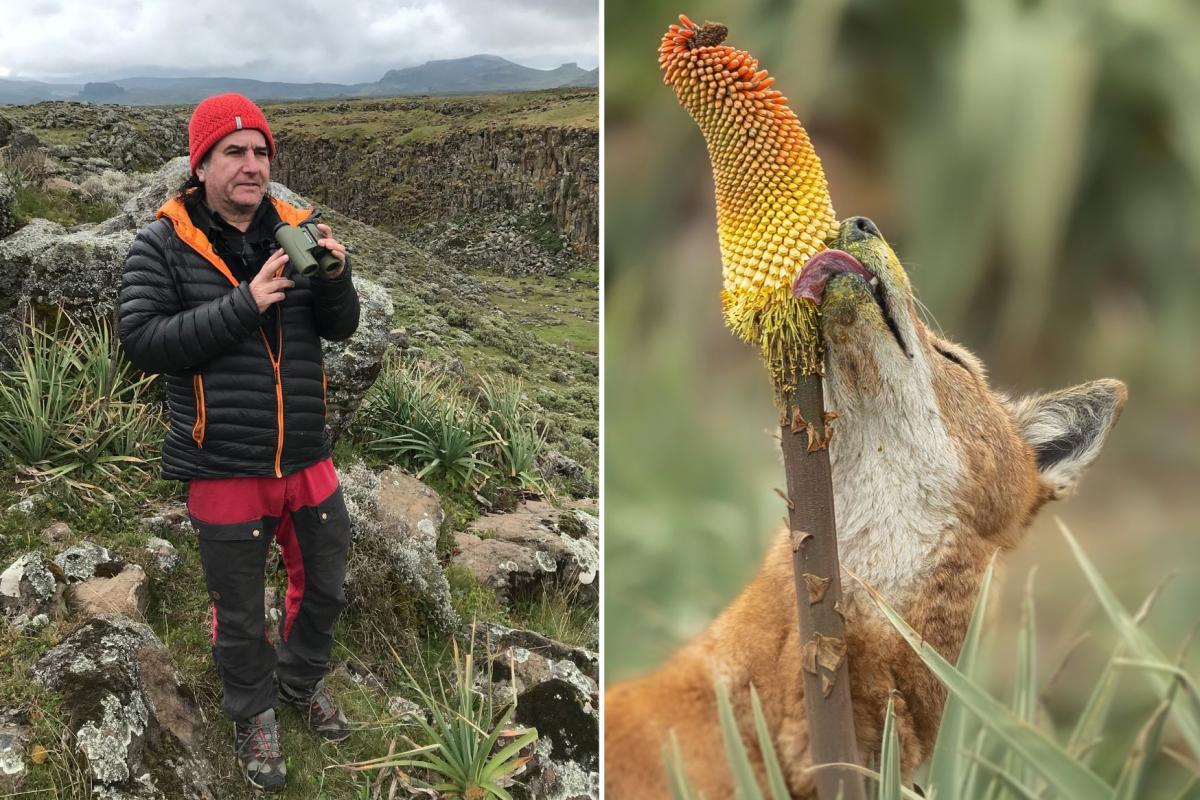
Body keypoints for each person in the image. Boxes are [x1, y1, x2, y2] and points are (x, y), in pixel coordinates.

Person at [118, 93, 361, 793]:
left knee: (323, 585)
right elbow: (142, 342)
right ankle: (253, 714)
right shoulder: (161, 243)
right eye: (235, 152)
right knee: (238, 609)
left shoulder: (297, 226)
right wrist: (243, 304)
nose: (252, 166)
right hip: (222, 457)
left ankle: (301, 682)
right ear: (201, 165)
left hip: (306, 453)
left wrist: (338, 277)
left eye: (261, 152)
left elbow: (339, 328)